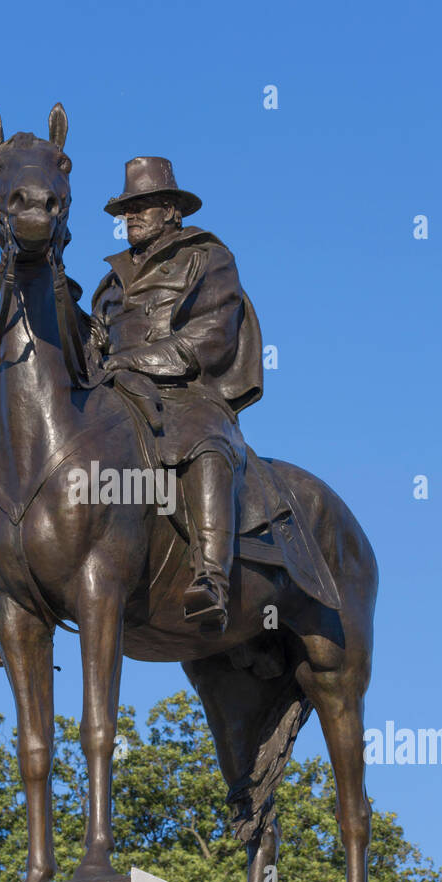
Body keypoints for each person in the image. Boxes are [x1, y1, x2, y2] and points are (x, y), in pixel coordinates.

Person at [90, 156, 263, 632]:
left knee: (205, 442)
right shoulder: (109, 282)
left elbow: (212, 336)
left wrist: (134, 360)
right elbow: (95, 347)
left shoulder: (207, 257)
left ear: (172, 211)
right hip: (116, 390)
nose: (132, 215)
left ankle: (212, 577)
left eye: (143, 205)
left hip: (186, 393)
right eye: (127, 208)